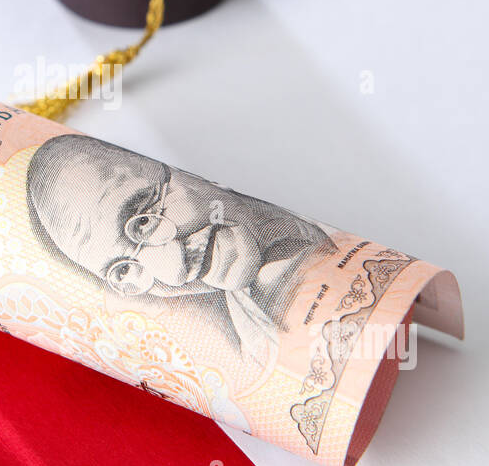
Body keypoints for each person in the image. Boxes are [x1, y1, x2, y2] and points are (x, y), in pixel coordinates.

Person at [26, 134, 336, 369]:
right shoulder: (260, 351)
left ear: (184, 172)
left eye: (144, 221)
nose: (173, 272)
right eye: (123, 269)